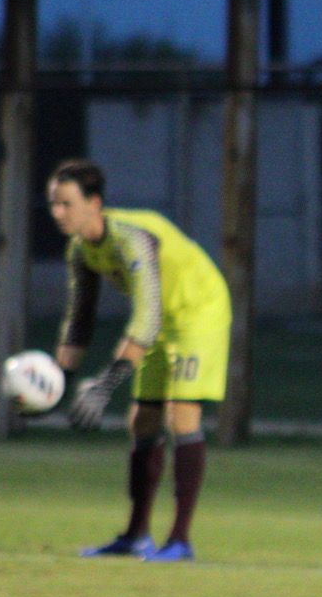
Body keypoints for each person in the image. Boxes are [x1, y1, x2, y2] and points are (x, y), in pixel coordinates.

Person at [44, 159, 232, 563]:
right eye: (53, 204)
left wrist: (105, 385)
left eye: (66, 203)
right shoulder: (80, 249)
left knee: (181, 415)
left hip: (198, 312)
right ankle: (134, 536)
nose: (57, 212)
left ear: (94, 203)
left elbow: (145, 318)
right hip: (160, 322)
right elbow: (79, 320)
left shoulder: (132, 238)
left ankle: (179, 541)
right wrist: (57, 382)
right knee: (142, 421)